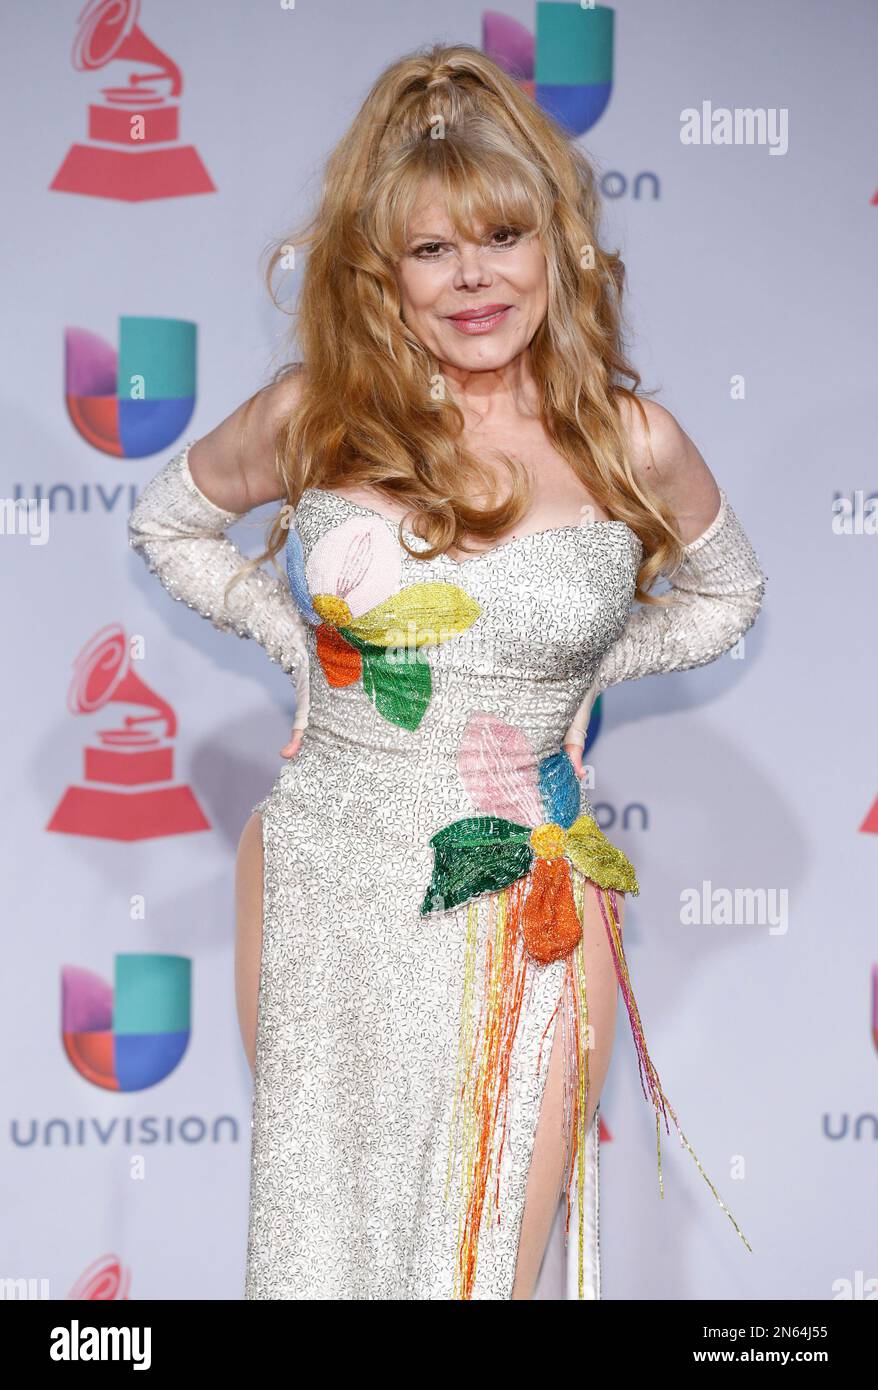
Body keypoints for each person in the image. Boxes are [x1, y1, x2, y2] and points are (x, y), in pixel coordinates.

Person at [127, 43, 767, 1301]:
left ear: (556, 246)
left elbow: (728, 593)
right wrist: (304, 645)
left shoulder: (625, 438)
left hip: (520, 899)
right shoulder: (320, 415)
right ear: (384, 272)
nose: (474, 278)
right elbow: (167, 520)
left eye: (502, 235)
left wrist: (575, 675)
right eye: (432, 250)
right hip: (329, 876)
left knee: (476, 1276)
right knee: (325, 1264)